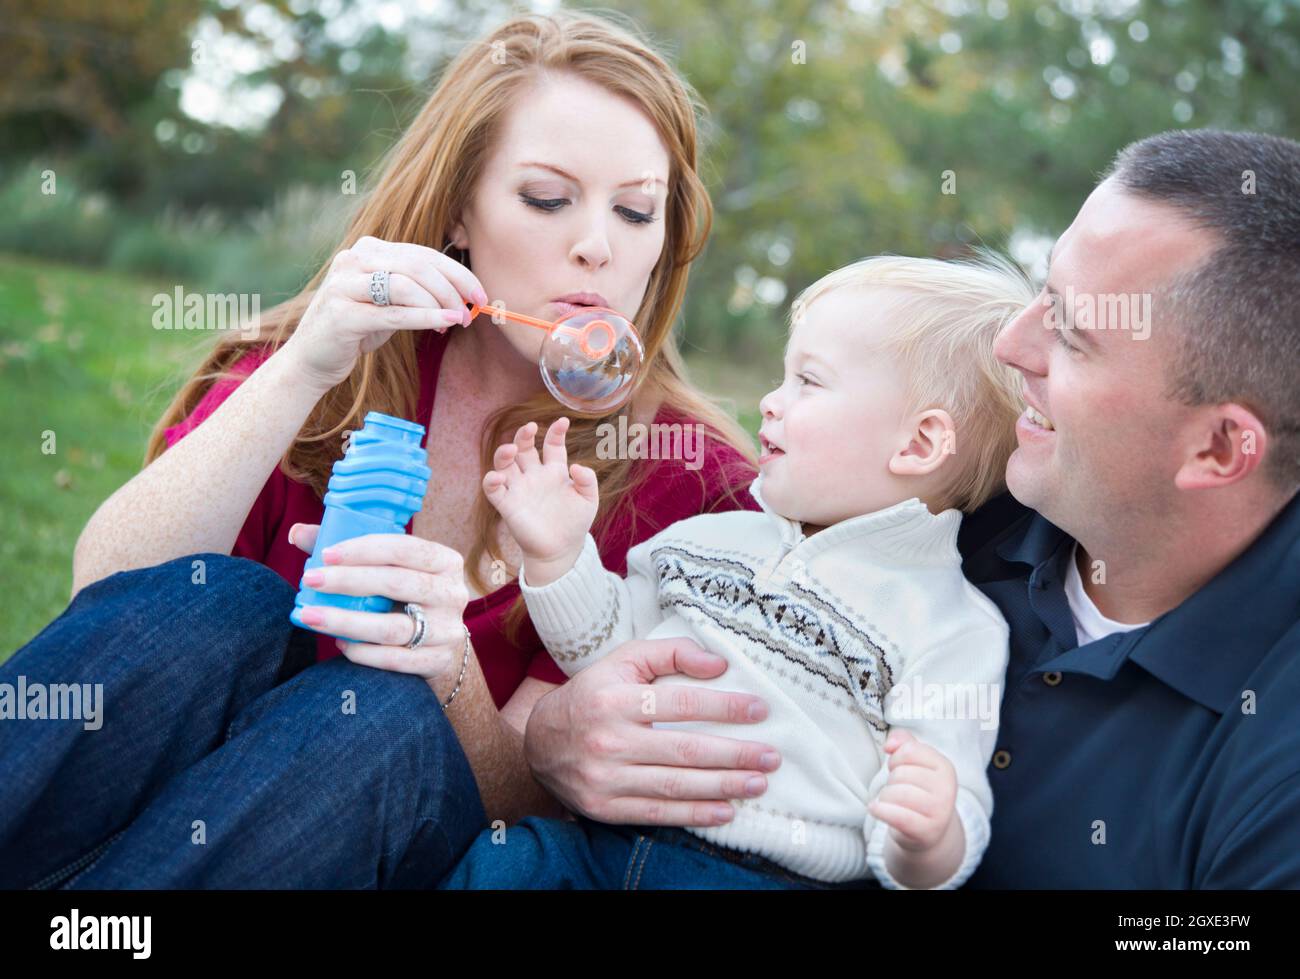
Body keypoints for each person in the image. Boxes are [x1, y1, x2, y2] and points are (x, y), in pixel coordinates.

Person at [0, 11, 782, 889]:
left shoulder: (692, 482)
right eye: (546, 199)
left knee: (385, 714)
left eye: (637, 211)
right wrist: (301, 365)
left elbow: (538, 811)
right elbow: (106, 595)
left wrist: (446, 663)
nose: (598, 245)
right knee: (219, 601)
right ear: (458, 211)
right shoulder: (338, 358)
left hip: (391, 821)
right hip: (175, 791)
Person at [437, 254, 1032, 889]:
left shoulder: (950, 624)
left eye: (810, 381)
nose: (771, 402)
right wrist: (558, 552)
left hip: (762, 874)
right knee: (500, 867)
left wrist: (928, 842)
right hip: (594, 843)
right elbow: (600, 645)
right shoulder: (709, 539)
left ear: (917, 444)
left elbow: (950, 779)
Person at [959, 128, 1300, 888]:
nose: (1010, 345)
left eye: (1072, 335)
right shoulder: (954, 489)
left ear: (1218, 448)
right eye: (1041, 293)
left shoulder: (1280, 766)